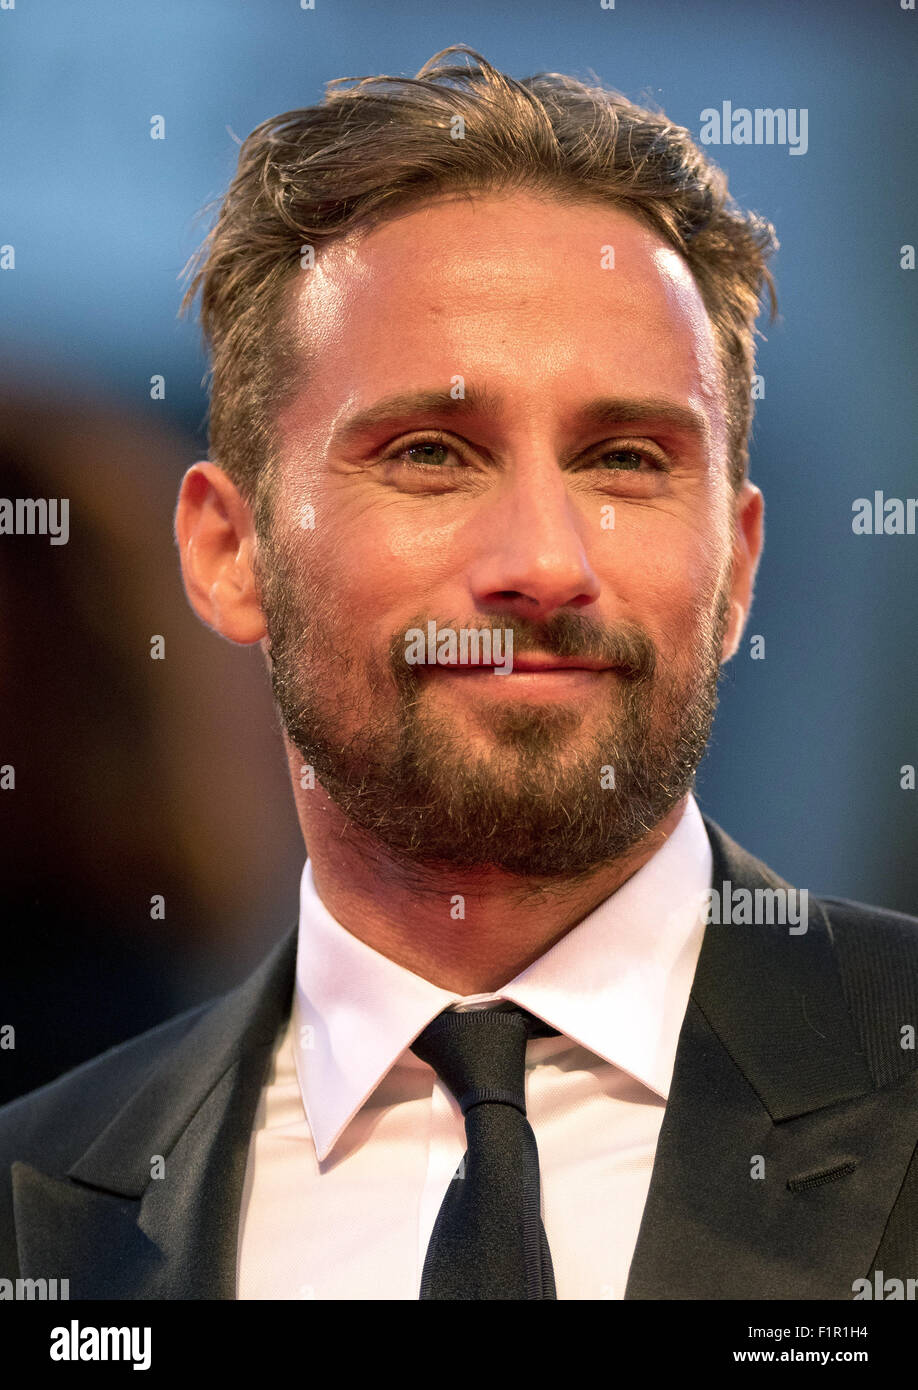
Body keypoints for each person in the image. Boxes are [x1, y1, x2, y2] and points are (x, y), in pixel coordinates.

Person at [2, 45, 916, 1302]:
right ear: (228, 552)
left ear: (738, 564)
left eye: (628, 460)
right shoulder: (35, 1207)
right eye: (432, 453)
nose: (545, 562)